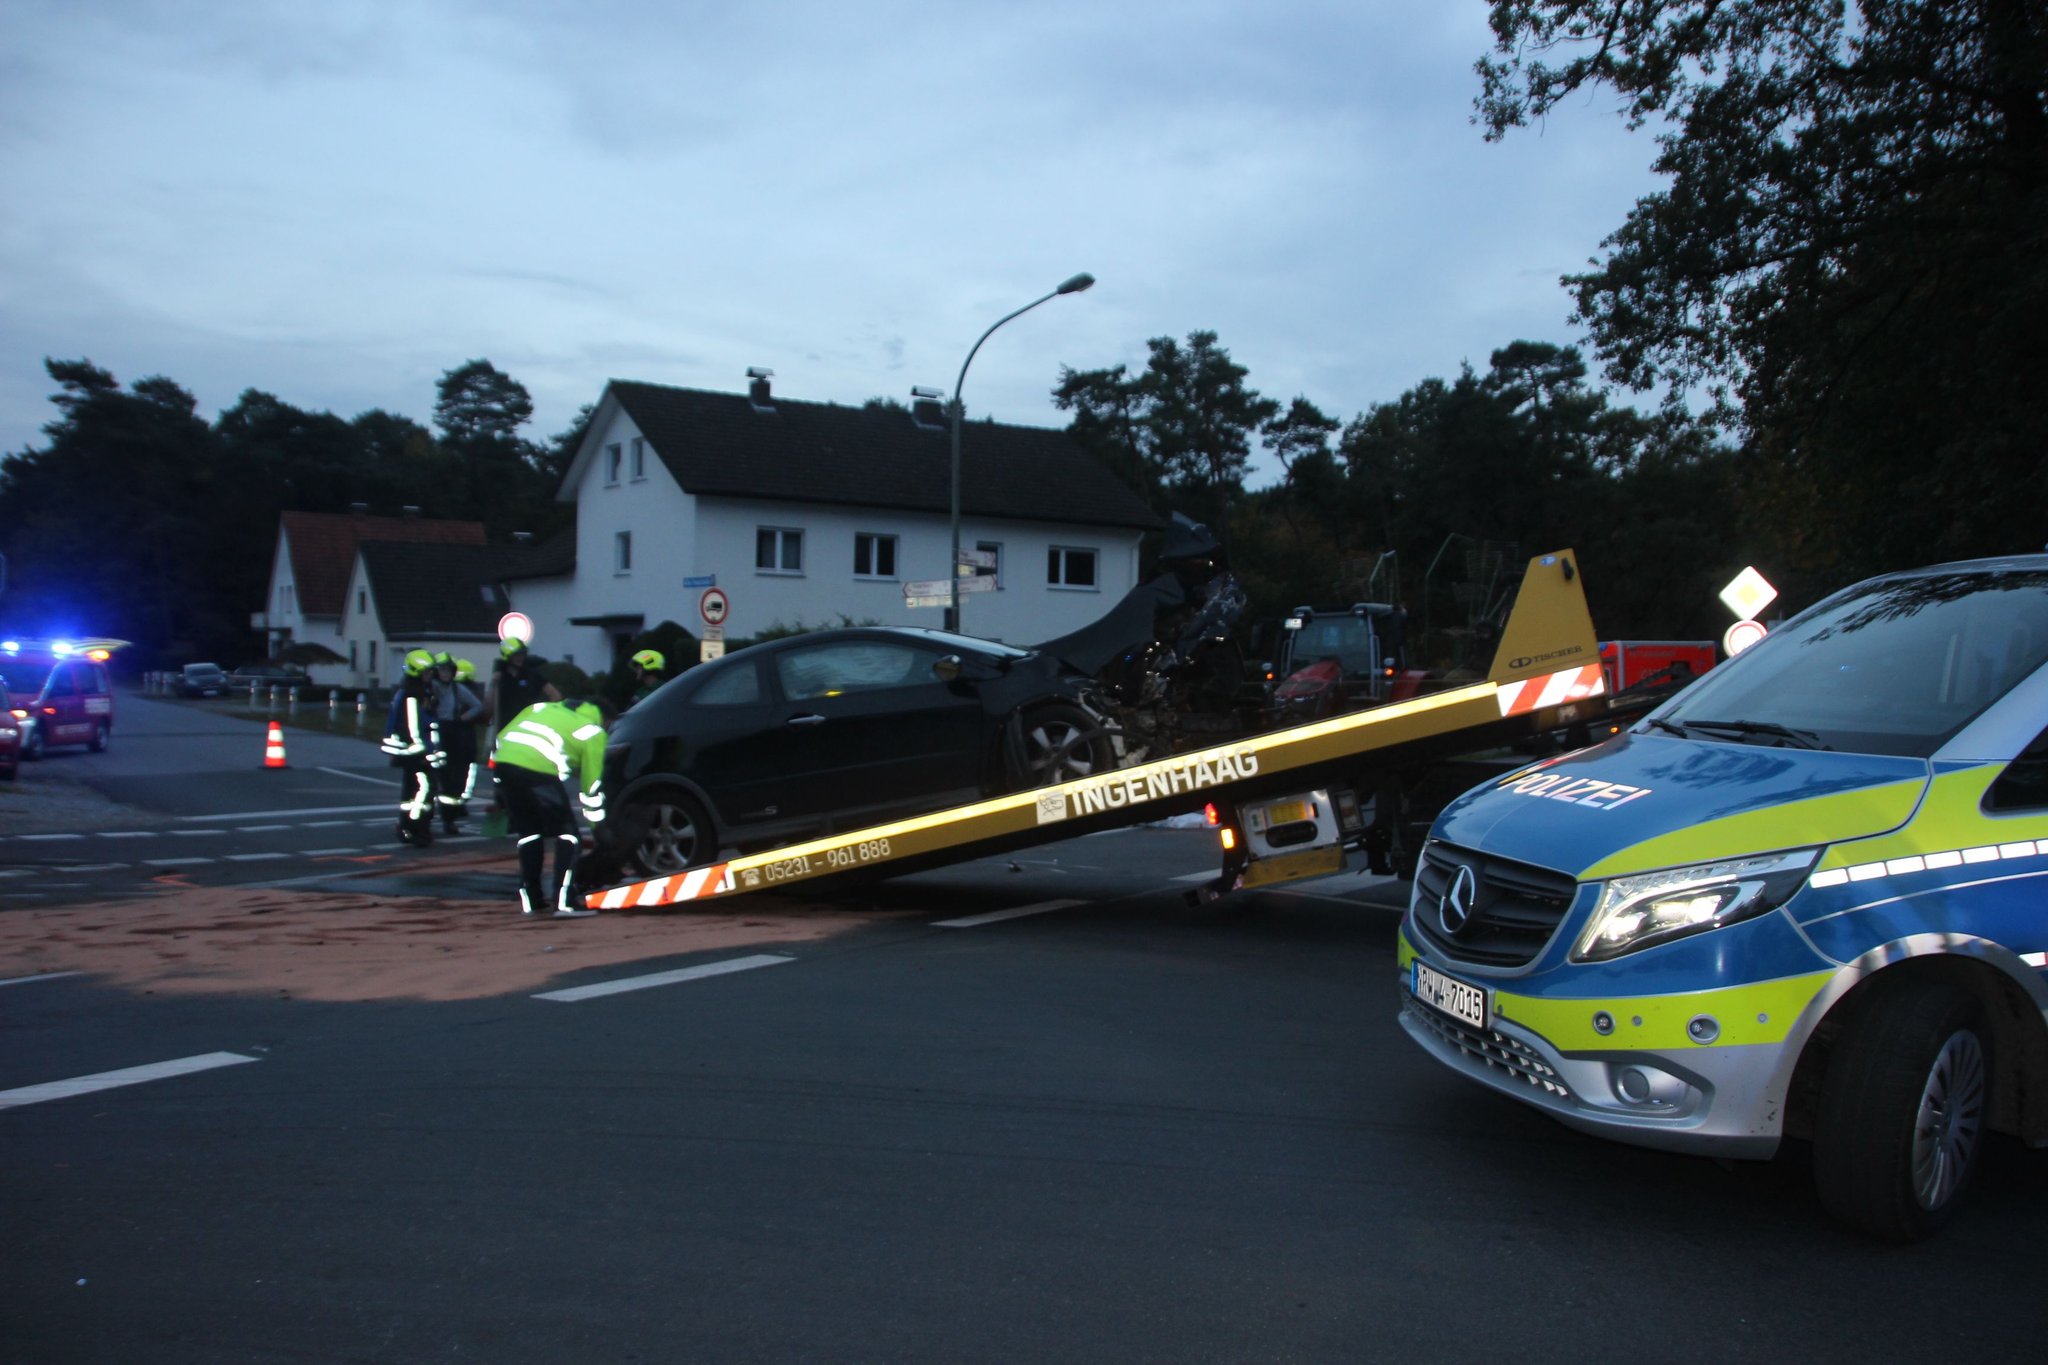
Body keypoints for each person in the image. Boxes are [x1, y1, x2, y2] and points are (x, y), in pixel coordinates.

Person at [490, 696, 611, 917]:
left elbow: (500, 737)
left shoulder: (538, 707)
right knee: (569, 835)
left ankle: (532, 901)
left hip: (504, 762)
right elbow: (591, 786)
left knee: (529, 833)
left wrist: (498, 787)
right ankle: (564, 903)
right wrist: (598, 828)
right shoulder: (594, 732)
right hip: (539, 769)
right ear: (606, 719)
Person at [379, 649, 444, 846]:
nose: (429, 676)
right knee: (423, 789)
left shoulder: (418, 692)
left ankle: (411, 825)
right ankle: (414, 827)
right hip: (415, 753)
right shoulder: (411, 696)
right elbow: (413, 728)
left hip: (415, 752)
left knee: (414, 790)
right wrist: (425, 751)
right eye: (426, 672)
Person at [429, 653, 486, 834]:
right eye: (441, 670)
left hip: (452, 732)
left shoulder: (457, 689)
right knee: (434, 777)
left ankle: (449, 818)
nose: (445, 674)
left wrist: (463, 718)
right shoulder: (431, 687)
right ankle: (429, 816)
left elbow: (478, 705)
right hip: (435, 732)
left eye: (448, 670)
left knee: (454, 778)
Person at [487, 637, 560, 734]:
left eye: (522, 654)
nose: (520, 658)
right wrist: (493, 683)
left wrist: (544, 715)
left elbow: (555, 695)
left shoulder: (531, 675)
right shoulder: (501, 678)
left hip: (528, 726)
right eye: (516, 655)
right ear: (508, 657)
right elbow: (488, 708)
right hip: (505, 728)